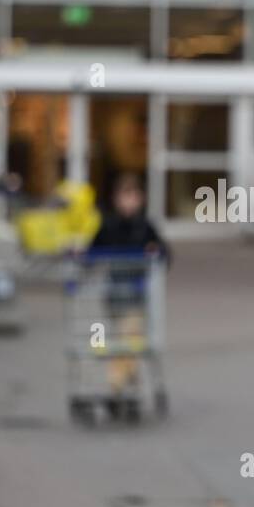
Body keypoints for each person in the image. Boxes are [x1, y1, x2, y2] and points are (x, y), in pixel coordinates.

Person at [89, 172, 169, 420]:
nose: (128, 202)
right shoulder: (108, 226)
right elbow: (91, 252)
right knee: (126, 344)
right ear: (116, 199)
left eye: (133, 196)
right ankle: (129, 387)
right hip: (114, 297)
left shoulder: (145, 227)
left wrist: (156, 252)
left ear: (140, 199)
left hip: (137, 296)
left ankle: (115, 387)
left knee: (128, 340)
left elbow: (165, 253)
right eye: (124, 196)